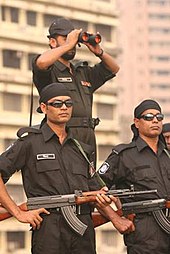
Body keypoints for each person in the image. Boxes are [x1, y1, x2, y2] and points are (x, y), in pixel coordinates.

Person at [0, 83, 133, 254]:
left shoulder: (81, 148)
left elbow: (95, 189)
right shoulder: (30, 143)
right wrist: (18, 213)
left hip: (83, 228)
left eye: (68, 104)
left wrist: (113, 215)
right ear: (44, 107)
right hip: (49, 228)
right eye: (57, 104)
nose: (64, 108)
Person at [32, 17, 120, 166]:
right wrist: (68, 45)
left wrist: (98, 51)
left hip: (88, 135)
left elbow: (114, 68)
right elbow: (41, 63)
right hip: (64, 134)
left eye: (72, 38)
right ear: (53, 42)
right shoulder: (49, 70)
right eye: (65, 38)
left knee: (88, 180)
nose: (72, 44)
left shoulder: (81, 72)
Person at [98, 99, 170, 254]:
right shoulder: (124, 155)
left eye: (159, 117)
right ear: (137, 122)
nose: (155, 121)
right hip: (145, 238)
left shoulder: (167, 155)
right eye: (149, 117)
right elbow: (95, 187)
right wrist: (115, 218)